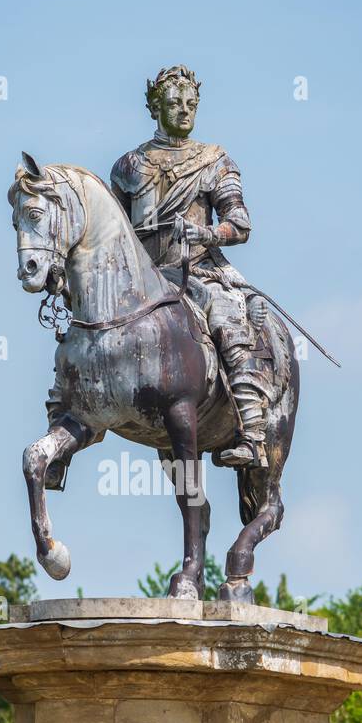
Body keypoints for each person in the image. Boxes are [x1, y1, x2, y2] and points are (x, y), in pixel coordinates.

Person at [110, 64, 268, 467]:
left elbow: (241, 224)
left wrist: (208, 235)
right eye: (174, 103)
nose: (184, 110)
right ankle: (67, 404)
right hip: (143, 283)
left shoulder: (215, 161)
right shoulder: (129, 166)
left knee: (230, 320)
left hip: (197, 272)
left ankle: (252, 432)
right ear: (154, 107)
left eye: (190, 104)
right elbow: (113, 233)